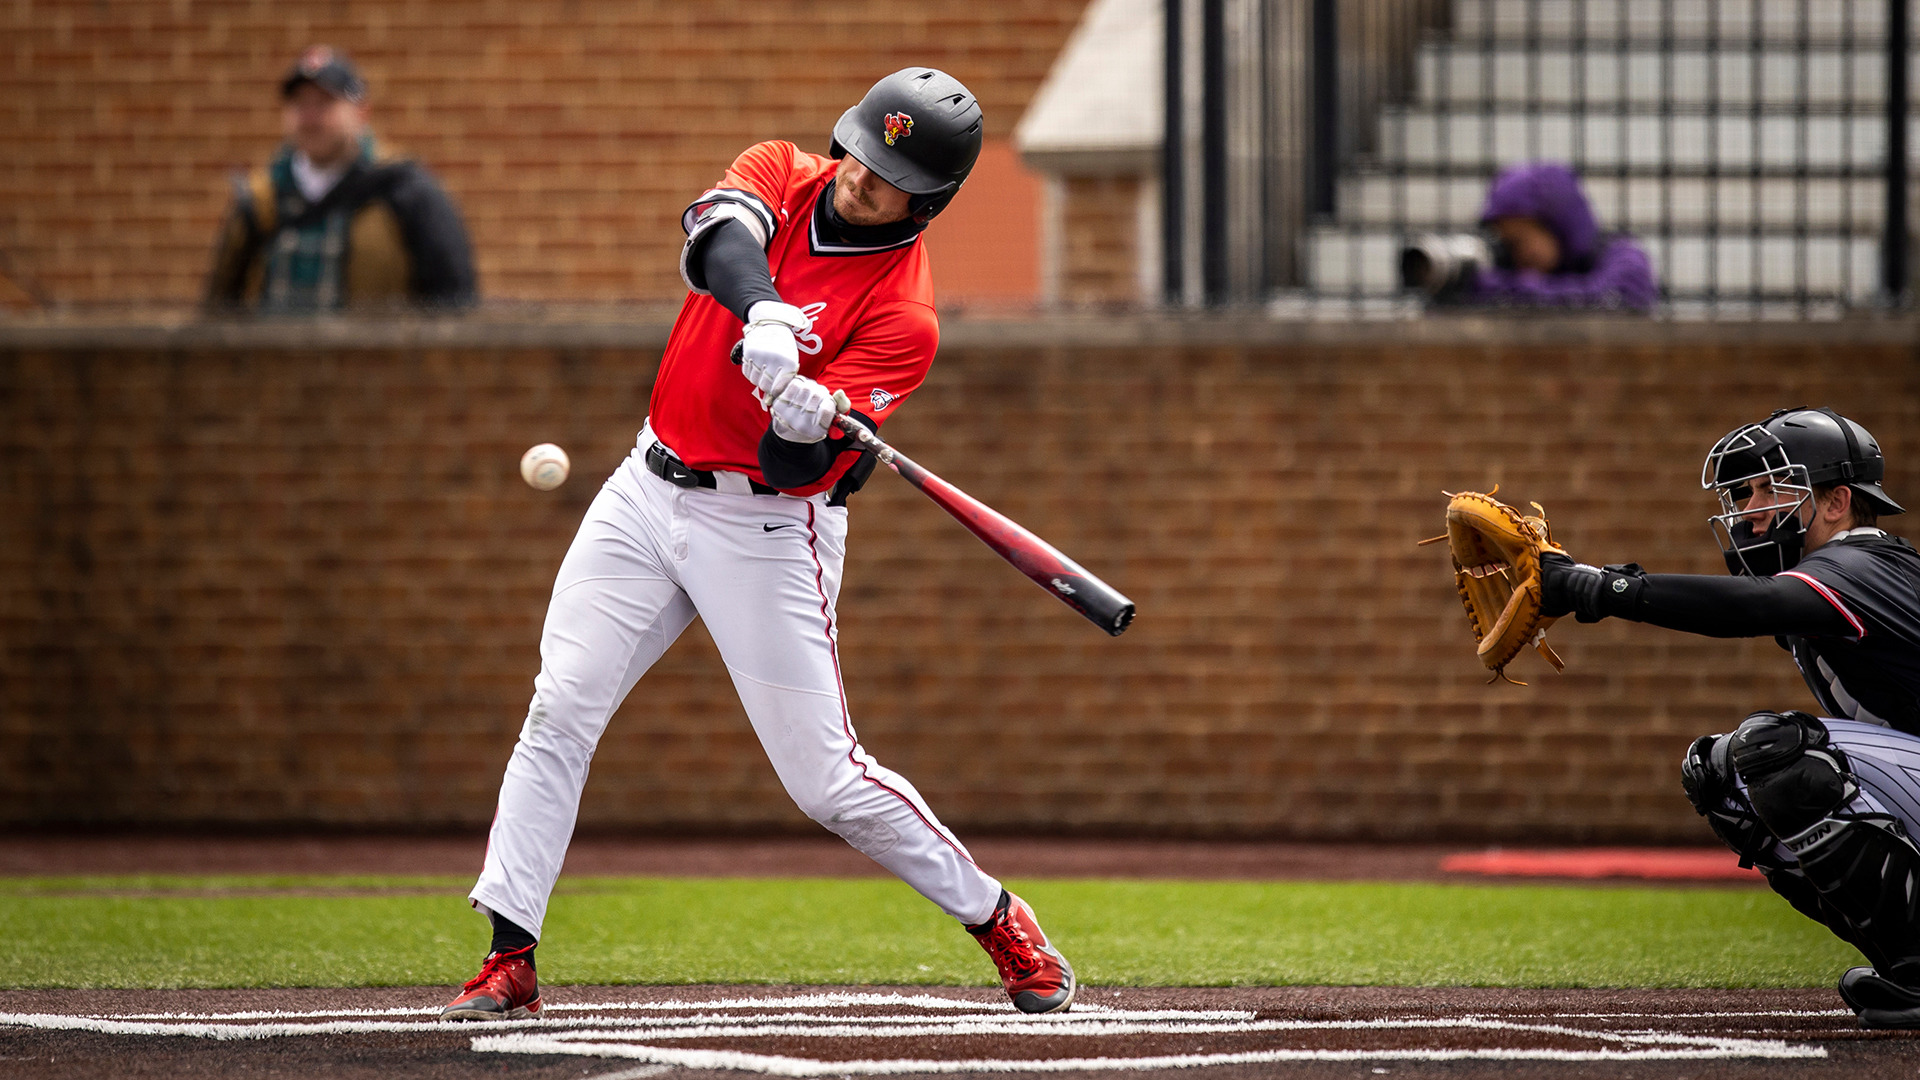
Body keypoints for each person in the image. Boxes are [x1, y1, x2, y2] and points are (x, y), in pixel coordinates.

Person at [438, 68, 1077, 1022]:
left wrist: (812, 414)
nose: (864, 174)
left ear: (932, 199)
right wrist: (767, 312)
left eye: (892, 169)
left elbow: (793, 469)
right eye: (864, 148)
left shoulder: (905, 316)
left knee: (825, 781)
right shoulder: (783, 171)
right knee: (561, 704)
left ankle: (995, 916)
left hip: (769, 529)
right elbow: (717, 240)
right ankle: (509, 954)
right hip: (645, 490)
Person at [1537, 407, 1920, 1028]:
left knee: (1774, 754)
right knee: (1720, 776)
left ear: (1836, 501)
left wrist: (1601, 588)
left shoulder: (1864, 563)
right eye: (1743, 492)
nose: (1749, 508)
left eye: (1772, 488)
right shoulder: (1838, 572)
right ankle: (1909, 964)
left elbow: (1753, 606)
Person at [205, 46, 475, 312]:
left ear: (361, 112)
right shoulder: (260, 199)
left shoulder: (407, 191)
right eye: (300, 103)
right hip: (273, 354)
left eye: (324, 103)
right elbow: (219, 308)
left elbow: (454, 302)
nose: (310, 117)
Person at [1403, 162, 1658, 310]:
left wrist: (1502, 291)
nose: (1517, 255)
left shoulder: (1622, 256)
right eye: (1506, 243)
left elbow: (1613, 300)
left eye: (1519, 241)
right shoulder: (1509, 272)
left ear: (1558, 225)